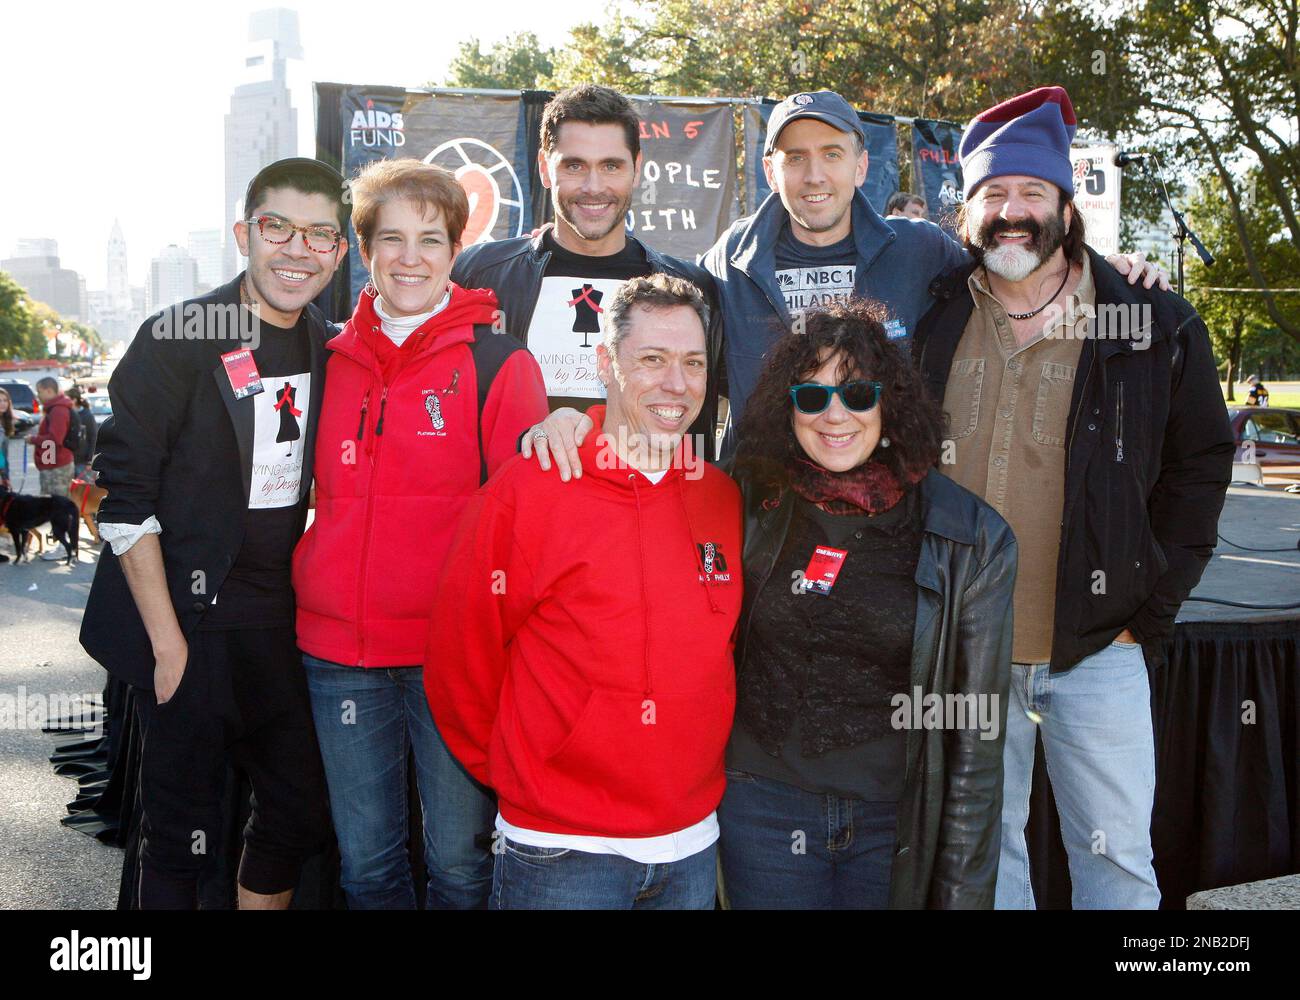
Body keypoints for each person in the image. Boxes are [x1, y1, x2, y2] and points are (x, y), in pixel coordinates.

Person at [912, 86, 1234, 909]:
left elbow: (1200, 465)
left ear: (1064, 201)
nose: (1011, 212)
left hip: (1099, 647)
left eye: (1030, 192)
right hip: (969, 646)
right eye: (991, 194)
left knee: (1118, 862)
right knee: (992, 858)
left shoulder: (1150, 318)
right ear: (967, 210)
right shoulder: (938, 312)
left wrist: (1149, 606)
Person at [80, 157, 349, 909]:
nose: (298, 250)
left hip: (280, 624)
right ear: (245, 233)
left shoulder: (331, 345)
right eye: (278, 229)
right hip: (185, 621)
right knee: (179, 833)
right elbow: (124, 503)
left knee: (299, 809)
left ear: (338, 250)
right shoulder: (180, 335)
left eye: (320, 234)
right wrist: (169, 647)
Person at [425, 274, 742, 910]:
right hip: (560, 851)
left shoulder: (720, 495)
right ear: (606, 363)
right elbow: (461, 657)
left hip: (690, 848)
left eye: (692, 362)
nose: (675, 384)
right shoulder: (532, 488)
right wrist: (528, 778)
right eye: (651, 360)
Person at [291, 158, 548, 910]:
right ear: (364, 251)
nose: (411, 258)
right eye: (392, 239)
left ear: (454, 252)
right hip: (338, 658)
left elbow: (524, 530)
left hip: (453, 659)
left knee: (462, 869)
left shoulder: (501, 362)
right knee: (366, 869)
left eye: (430, 240)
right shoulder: (323, 361)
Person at [720, 299, 1015, 909]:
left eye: (857, 395)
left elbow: (974, 747)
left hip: (894, 826)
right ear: (787, 406)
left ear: (889, 404)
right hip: (763, 812)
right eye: (812, 396)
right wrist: (566, 428)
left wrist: (961, 895)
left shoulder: (971, 536)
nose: (835, 415)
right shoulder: (744, 498)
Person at [700, 89, 1171, 454]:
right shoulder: (727, 263)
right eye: (795, 158)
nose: (815, 175)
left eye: (832, 153)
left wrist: (1095, 266)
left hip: (884, 522)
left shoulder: (916, 248)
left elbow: (1012, 258)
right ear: (770, 169)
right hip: (759, 518)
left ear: (861, 166)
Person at [451, 83, 724, 459]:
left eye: (611, 166)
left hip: (645, 509)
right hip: (519, 507)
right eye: (574, 165)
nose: (594, 188)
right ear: (546, 169)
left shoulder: (690, 288)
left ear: (636, 168)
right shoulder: (480, 273)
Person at [28, 377, 77, 499]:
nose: (37, 396)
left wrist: (33, 439)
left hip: (56, 467)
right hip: (53, 464)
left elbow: (55, 439)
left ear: (49, 391)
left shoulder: (58, 410)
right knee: (53, 506)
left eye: (39, 392)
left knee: (56, 506)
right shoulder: (55, 408)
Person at [66, 386, 98, 481]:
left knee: (83, 490)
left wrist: (89, 460)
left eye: (67, 399)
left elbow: (93, 438)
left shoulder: (87, 416)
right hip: (68, 460)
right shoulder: (66, 414)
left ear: (74, 400)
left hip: (82, 462)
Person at [0, 387, 13, 490]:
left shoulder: (5, 421)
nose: (3, 403)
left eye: (5, 400)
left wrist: (6, 476)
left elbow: (4, 454)